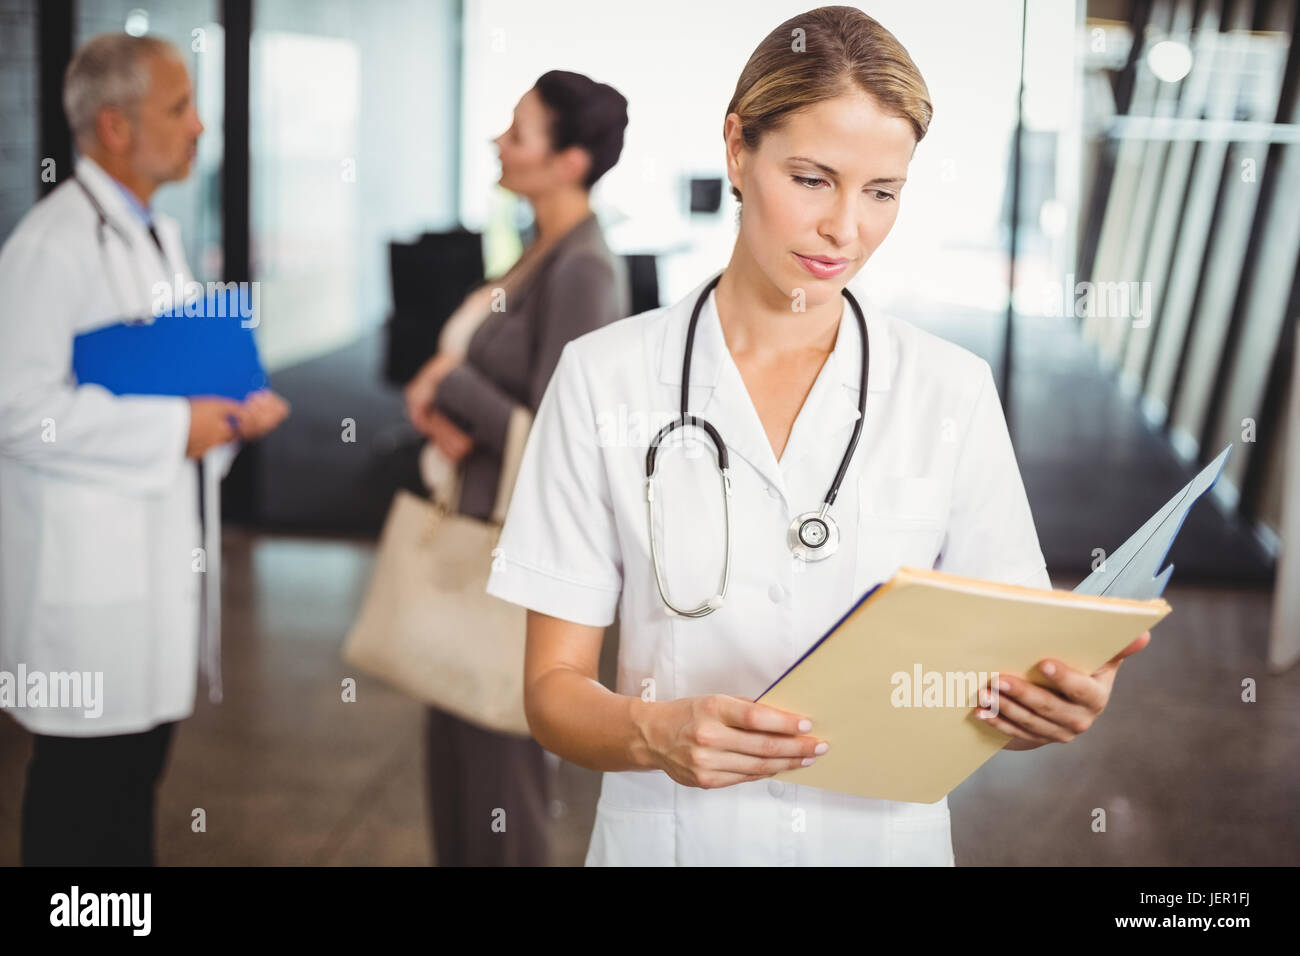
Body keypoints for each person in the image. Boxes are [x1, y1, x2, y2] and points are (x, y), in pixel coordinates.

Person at [484, 6, 1150, 866]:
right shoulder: (603, 377)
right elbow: (551, 692)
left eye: (882, 192)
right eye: (812, 179)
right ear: (737, 148)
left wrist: (1042, 711)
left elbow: (996, 691)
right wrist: (654, 733)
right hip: (677, 843)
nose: (847, 228)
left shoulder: (949, 389)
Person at [0, 33, 288, 865]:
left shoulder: (157, 235)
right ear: (116, 127)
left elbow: (186, 382)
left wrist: (230, 418)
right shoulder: (48, 246)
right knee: (78, 807)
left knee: (130, 792)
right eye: (178, 108)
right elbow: (17, 410)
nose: (199, 126)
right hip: (85, 593)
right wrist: (179, 428)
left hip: (154, 576)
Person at [404, 70, 629, 865]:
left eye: (521, 131)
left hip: (516, 561)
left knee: (500, 779)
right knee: (459, 765)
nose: (500, 140)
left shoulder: (585, 272)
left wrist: (451, 383)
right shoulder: (542, 251)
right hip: (477, 542)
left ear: (569, 161)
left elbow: (557, 438)